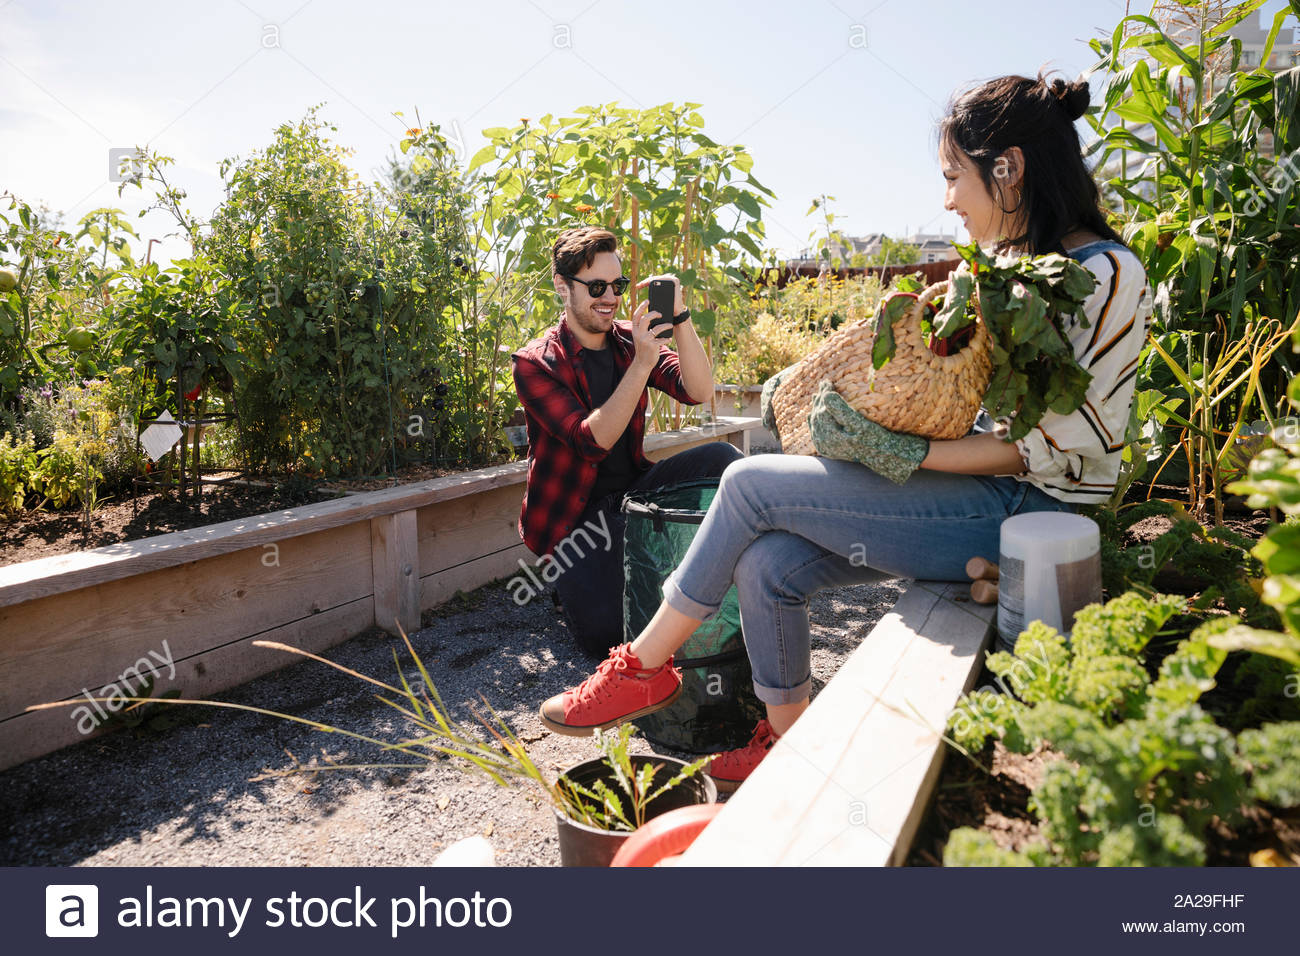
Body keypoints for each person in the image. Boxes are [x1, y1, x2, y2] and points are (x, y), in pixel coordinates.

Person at [537, 73, 1154, 792]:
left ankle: (643, 667)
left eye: (956, 177)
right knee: (766, 563)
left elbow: (1045, 447)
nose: (948, 199)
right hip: (983, 497)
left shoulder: (1107, 274)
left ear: (1008, 168)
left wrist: (904, 453)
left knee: (745, 482)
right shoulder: (1015, 269)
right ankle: (790, 749)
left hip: (1030, 517)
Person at [512, 226, 744, 656]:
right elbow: (591, 440)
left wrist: (680, 318)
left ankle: (720, 575)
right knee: (606, 638)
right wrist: (642, 365)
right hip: (576, 524)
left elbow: (698, 391)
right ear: (562, 286)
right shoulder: (535, 363)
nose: (610, 298)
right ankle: (575, 580)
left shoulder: (625, 341)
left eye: (617, 285)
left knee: (726, 461)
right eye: (596, 286)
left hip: (632, 496)